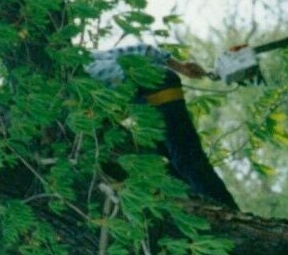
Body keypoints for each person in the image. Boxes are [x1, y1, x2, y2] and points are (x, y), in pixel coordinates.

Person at [86, 40, 239, 210]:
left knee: (185, 158)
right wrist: (180, 66)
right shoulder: (86, 58)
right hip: (150, 92)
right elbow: (141, 49)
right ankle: (206, 206)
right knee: (170, 161)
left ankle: (226, 209)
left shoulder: (72, 79)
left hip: (154, 88)